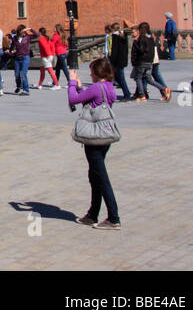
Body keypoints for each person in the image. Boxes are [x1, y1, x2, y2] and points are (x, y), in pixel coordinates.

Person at [69, 57, 121, 229]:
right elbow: (92, 101)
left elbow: (73, 100)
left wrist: (71, 84)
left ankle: (113, 217)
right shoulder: (109, 88)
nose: (90, 74)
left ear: (98, 72)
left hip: (94, 137)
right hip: (105, 135)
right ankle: (92, 213)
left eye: (92, 71)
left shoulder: (96, 87)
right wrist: (81, 88)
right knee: (95, 174)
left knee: (101, 176)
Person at [130, 22, 169, 102]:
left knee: (138, 78)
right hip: (149, 62)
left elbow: (140, 50)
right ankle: (164, 89)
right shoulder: (150, 38)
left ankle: (142, 95)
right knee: (149, 79)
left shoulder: (141, 39)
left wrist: (135, 46)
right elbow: (153, 51)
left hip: (142, 61)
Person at [107, 21, 132, 100]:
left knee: (120, 78)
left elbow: (114, 50)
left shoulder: (115, 37)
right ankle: (127, 93)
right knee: (119, 77)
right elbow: (126, 50)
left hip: (117, 61)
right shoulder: (123, 36)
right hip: (123, 60)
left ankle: (127, 94)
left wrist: (111, 60)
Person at [12, 26, 33, 94]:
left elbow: (37, 35)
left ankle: (26, 90)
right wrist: (10, 51)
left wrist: (30, 29)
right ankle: (19, 86)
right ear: (19, 32)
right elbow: (12, 46)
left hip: (25, 58)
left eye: (25, 31)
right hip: (17, 58)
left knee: (23, 74)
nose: (24, 33)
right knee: (17, 74)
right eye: (22, 32)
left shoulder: (27, 37)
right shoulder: (15, 38)